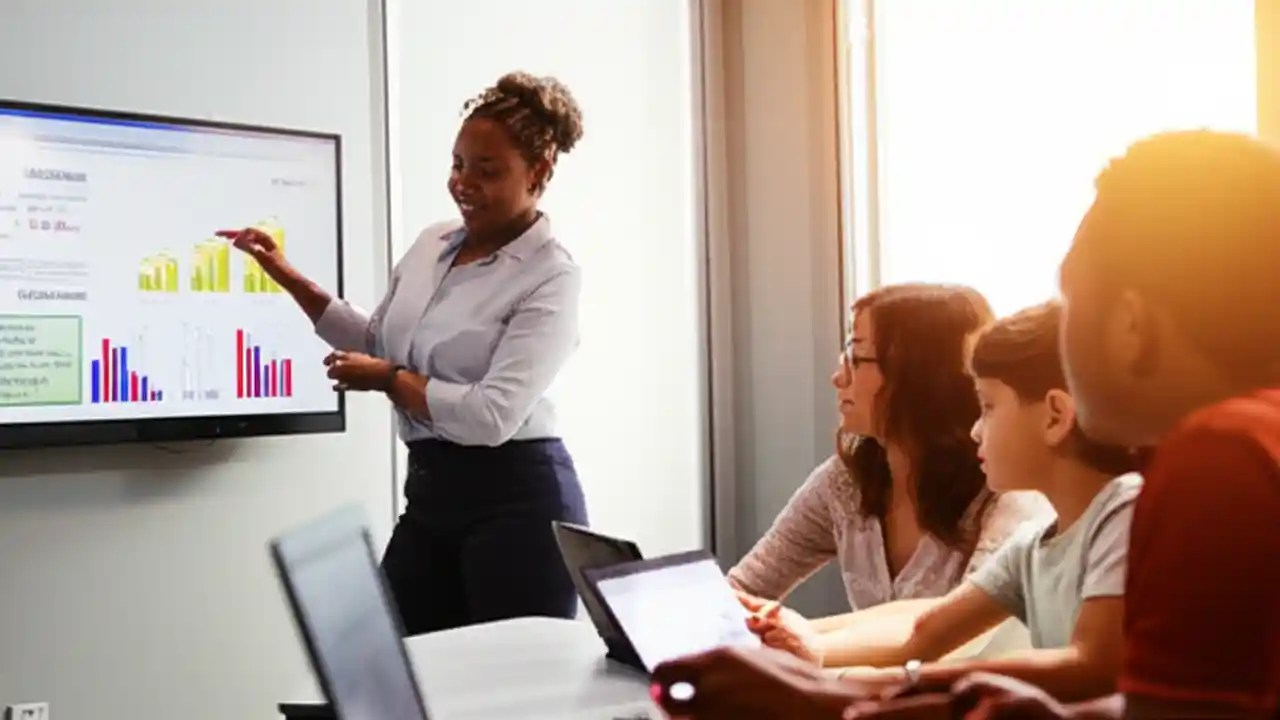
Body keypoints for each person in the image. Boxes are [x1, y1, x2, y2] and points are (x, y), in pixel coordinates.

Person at [657, 130, 1280, 720]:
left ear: (1131, 326)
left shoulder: (1218, 462)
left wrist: (827, 704)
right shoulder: (1248, 445)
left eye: (1070, 302)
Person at [219, 71, 590, 635]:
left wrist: (391, 379)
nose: (463, 183)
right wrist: (286, 274)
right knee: (392, 659)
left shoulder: (551, 276)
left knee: (506, 678)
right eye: (457, 165)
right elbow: (378, 343)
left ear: (537, 173)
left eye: (486, 170)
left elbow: (491, 416)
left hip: (518, 503)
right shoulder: (432, 244)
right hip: (432, 495)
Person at [746, 301, 1140, 703]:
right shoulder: (1032, 546)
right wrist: (807, 651)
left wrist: (827, 677)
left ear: (1055, 417)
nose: (975, 430)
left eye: (988, 407)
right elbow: (923, 630)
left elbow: (1092, 665)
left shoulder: (1125, 508)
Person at [729, 283, 1050, 663]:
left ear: (920, 373)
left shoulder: (1007, 490)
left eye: (856, 357)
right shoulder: (845, 482)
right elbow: (744, 589)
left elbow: (952, 634)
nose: (838, 377)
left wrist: (802, 638)